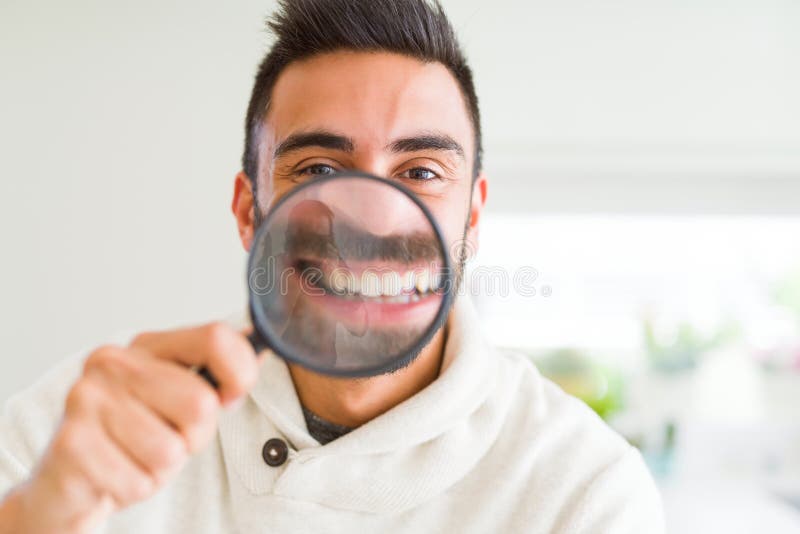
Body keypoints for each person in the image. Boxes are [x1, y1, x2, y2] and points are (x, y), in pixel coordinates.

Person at [0, 0, 665, 532]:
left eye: (422, 172)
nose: (370, 222)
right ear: (247, 211)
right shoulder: (72, 434)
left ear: (473, 217)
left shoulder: (584, 492)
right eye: (318, 169)